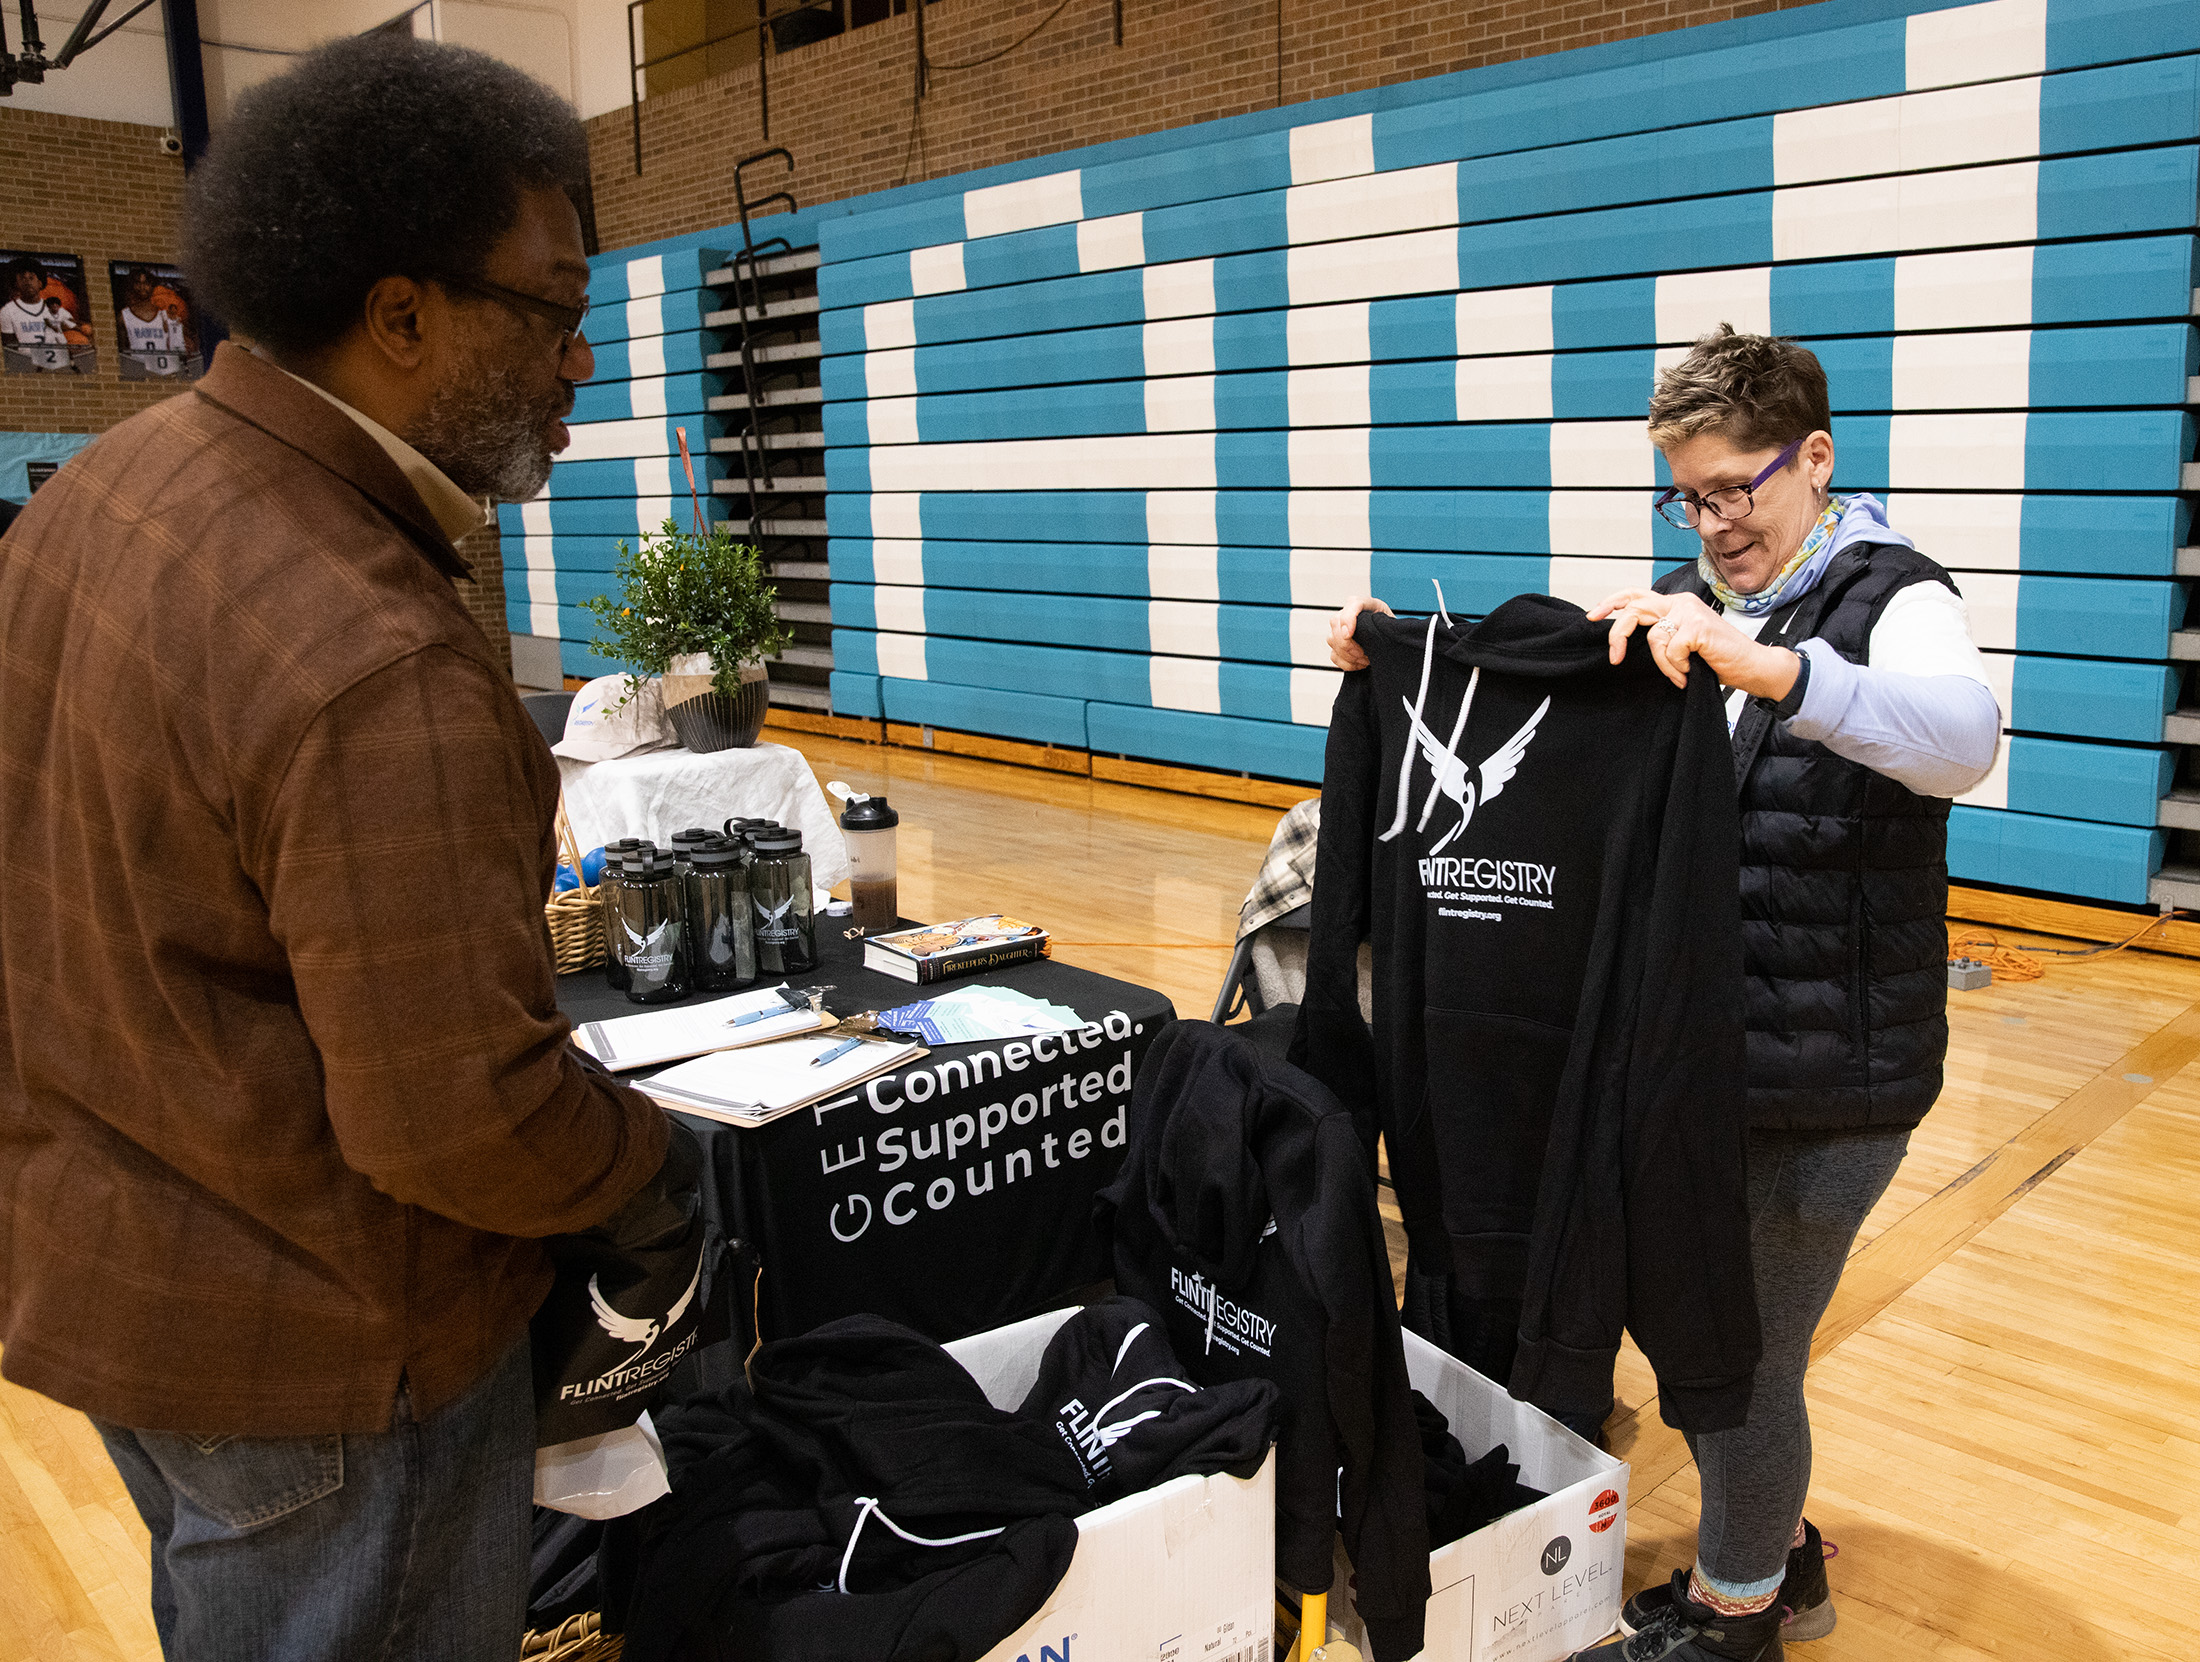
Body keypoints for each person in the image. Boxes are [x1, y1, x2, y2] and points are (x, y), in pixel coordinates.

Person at [0, 33, 677, 1661]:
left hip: (117, 1281)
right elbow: (461, 1118)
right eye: (555, 309)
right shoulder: (371, 655)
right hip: (328, 1358)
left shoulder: (102, 490)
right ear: (402, 315)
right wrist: (656, 1173)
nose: (582, 359)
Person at [1328, 326, 1999, 1662]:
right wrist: (1403, 658)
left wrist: (1770, 669)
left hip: (1830, 1082)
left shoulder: (1896, 597)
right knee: (1686, 1323)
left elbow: (1966, 740)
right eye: (1685, 497)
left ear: (1816, 457)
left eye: (1735, 488)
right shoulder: (1684, 598)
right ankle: (1778, 1549)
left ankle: (1737, 1614)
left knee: (1736, 1358)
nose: (1713, 524)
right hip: (1700, 1061)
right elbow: (1538, 688)